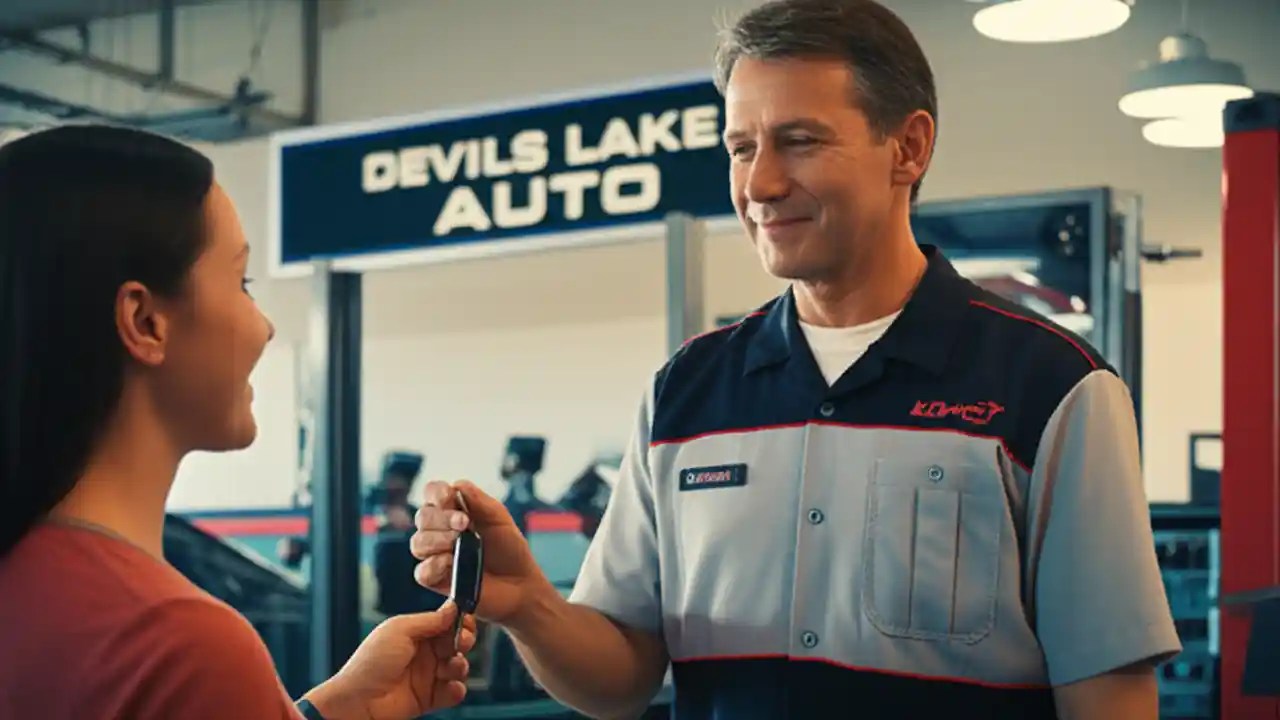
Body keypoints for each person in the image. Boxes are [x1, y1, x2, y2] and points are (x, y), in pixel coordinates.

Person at [411, 1, 1183, 719]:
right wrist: (529, 604)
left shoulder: (1054, 387)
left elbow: (1107, 690)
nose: (761, 183)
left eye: (800, 141)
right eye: (741, 148)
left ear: (908, 148)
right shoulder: (686, 391)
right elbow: (621, 681)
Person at [0, 124, 475, 720]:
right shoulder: (178, 645)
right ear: (145, 322)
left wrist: (327, 711)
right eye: (242, 282)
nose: (265, 327)